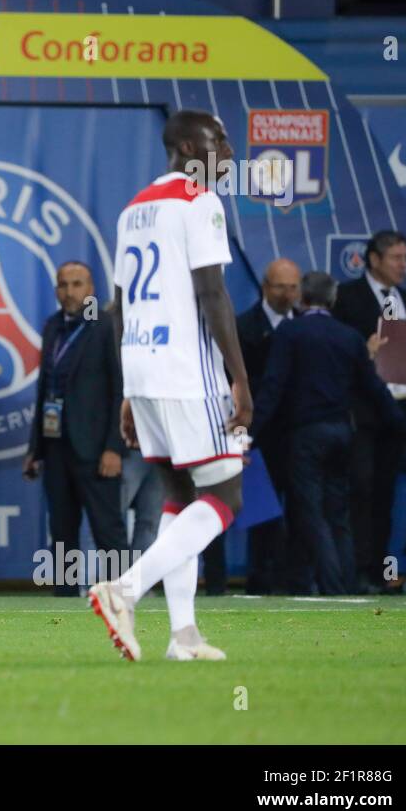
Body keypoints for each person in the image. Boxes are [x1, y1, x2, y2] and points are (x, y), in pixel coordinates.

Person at [89, 110, 250, 663]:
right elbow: (212, 294)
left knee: (180, 498)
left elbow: (118, 307)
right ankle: (125, 589)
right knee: (225, 496)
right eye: (217, 139)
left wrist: (128, 390)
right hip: (187, 370)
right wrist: (240, 377)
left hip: (143, 365)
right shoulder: (200, 200)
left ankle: (184, 636)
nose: (228, 150)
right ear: (185, 145)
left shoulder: (133, 209)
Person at [250, 271, 406, 594]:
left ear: (301, 298)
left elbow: (272, 389)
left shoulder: (290, 332)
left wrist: (247, 434)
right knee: (338, 513)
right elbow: (378, 391)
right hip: (342, 433)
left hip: (306, 435)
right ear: (333, 299)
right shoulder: (349, 337)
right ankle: (347, 583)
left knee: (311, 513)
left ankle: (334, 585)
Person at [332, 230, 406, 593]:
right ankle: (356, 570)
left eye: (405, 258)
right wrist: (364, 349)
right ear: (374, 259)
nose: (403, 265)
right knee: (361, 489)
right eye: (396, 258)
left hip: (400, 412)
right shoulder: (347, 298)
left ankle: (380, 571)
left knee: (386, 494)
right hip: (362, 412)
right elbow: (337, 354)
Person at [24, 262, 127, 595]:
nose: (69, 292)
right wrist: (35, 448)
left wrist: (114, 447)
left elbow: (121, 389)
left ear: (91, 289)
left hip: (97, 450)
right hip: (56, 447)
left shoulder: (106, 326)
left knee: (108, 532)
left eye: (77, 284)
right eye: (63, 285)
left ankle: (121, 597)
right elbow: (45, 390)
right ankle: (64, 602)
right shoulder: (52, 326)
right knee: (61, 533)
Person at [229, 257, 301, 593]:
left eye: (293, 287)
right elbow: (232, 383)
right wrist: (243, 434)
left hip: (299, 434)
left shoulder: (305, 326)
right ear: (265, 287)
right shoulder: (243, 327)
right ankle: (260, 581)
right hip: (258, 434)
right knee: (261, 513)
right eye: (280, 287)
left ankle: (298, 581)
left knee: (301, 511)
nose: (287, 294)